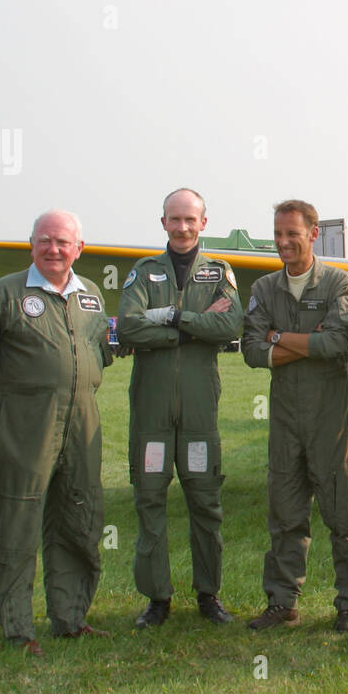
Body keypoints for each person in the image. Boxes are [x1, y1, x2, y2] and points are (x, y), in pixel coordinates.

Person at [0, 210, 113, 654]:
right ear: (31, 244)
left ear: (79, 248)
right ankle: (18, 627)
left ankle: (71, 616)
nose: (54, 250)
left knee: (79, 514)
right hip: (26, 421)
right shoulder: (6, 293)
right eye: (45, 241)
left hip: (82, 418)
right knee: (20, 520)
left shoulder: (90, 295)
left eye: (63, 242)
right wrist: (24, 401)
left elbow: (99, 352)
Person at [116, 189, 244, 628]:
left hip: (198, 414)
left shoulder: (218, 272)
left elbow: (230, 325)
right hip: (151, 412)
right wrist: (190, 329)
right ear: (164, 222)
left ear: (203, 223)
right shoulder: (143, 271)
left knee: (205, 501)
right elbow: (130, 327)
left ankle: (208, 595)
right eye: (175, 219)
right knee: (150, 499)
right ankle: (158, 598)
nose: (183, 226)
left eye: (190, 219)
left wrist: (172, 318)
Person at [241, 199, 348, 632]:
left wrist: (279, 337)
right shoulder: (263, 289)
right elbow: (253, 351)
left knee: (346, 514)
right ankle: (283, 603)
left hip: (330, 419)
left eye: (292, 234)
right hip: (285, 420)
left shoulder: (339, 284)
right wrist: (299, 342)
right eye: (278, 234)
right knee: (285, 512)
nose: (283, 242)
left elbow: (336, 344)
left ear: (313, 234)